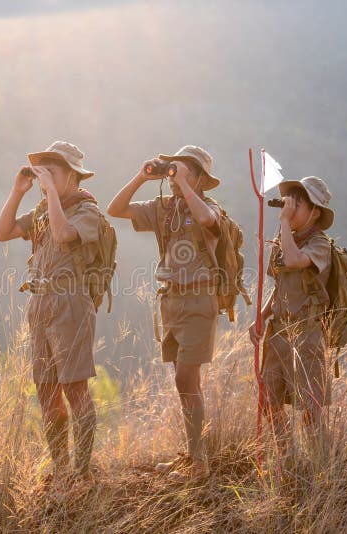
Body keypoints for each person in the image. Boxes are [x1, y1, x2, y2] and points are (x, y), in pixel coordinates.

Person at [108, 145, 224, 482]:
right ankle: (192, 457)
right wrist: (144, 177)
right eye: (175, 170)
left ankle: (198, 464)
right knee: (182, 380)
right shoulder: (164, 209)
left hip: (200, 300)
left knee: (186, 378)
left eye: (186, 171)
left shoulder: (209, 207)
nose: (176, 177)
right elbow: (116, 209)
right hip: (171, 300)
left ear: (200, 178)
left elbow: (207, 220)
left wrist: (186, 184)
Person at [0, 141, 100, 486]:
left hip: (70, 303)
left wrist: (52, 194)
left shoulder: (87, 211)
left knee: (74, 389)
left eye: (53, 172)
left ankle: (82, 474)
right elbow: (2, 233)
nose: (45, 179)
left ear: (73, 176)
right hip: (39, 304)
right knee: (46, 390)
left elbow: (62, 234)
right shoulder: (41, 209)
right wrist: (18, 191)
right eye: (43, 173)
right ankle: (61, 470)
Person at [248, 176, 335, 458]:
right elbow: (280, 285)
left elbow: (296, 261)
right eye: (289, 204)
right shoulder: (285, 240)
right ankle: (287, 460)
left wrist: (284, 223)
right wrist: (262, 316)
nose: (289, 210)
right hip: (279, 333)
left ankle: (320, 467)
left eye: (297, 205)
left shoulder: (320, 244)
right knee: (270, 402)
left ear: (315, 212)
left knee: (310, 409)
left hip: (307, 335)